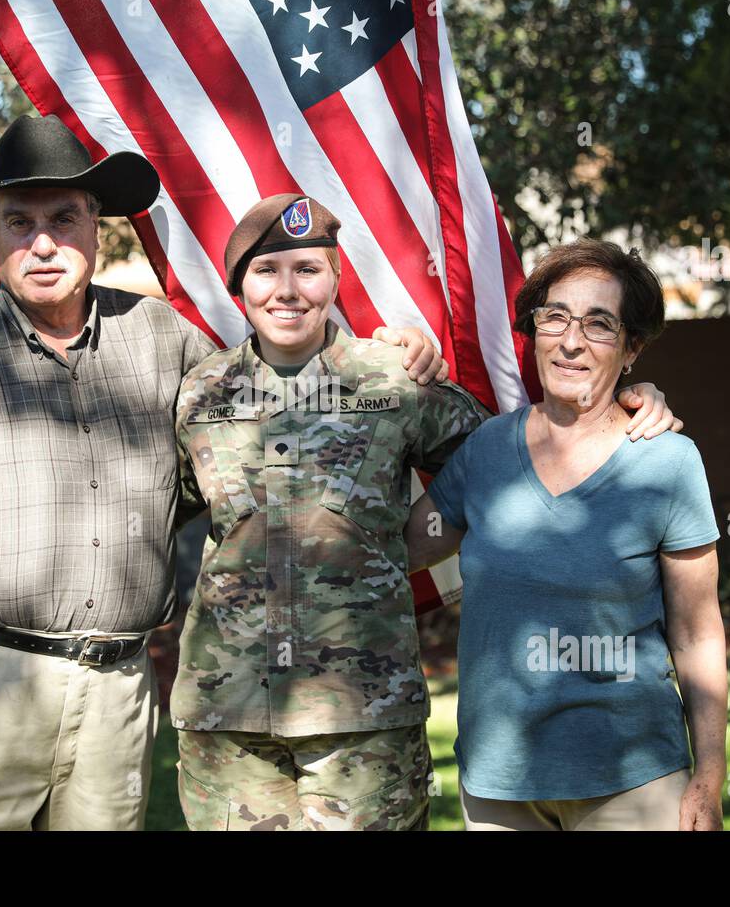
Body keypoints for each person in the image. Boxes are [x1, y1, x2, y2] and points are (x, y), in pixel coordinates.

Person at [0, 115, 455, 830]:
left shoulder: (164, 343)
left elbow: (260, 421)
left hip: (117, 691)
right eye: (18, 223)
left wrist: (396, 357)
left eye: (65, 218)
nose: (43, 242)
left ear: (98, 227)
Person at [171, 200, 682, 830]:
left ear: (335, 278)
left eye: (308, 269)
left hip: (365, 715)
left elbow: (522, 450)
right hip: (228, 713)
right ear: (239, 285)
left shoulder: (397, 380)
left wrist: (627, 400)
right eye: (265, 271)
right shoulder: (198, 393)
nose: (286, 290)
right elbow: (163, 505)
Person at [406, 238, 727, 831]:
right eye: (555, 316)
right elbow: (396, 551)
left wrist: (709, 777)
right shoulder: (487, 450)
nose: (570, 340)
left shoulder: (669, 462)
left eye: (599, 324)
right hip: (500, 785)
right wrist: (381, 387)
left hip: (633, 779)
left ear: (632, 349)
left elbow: (697, 633)